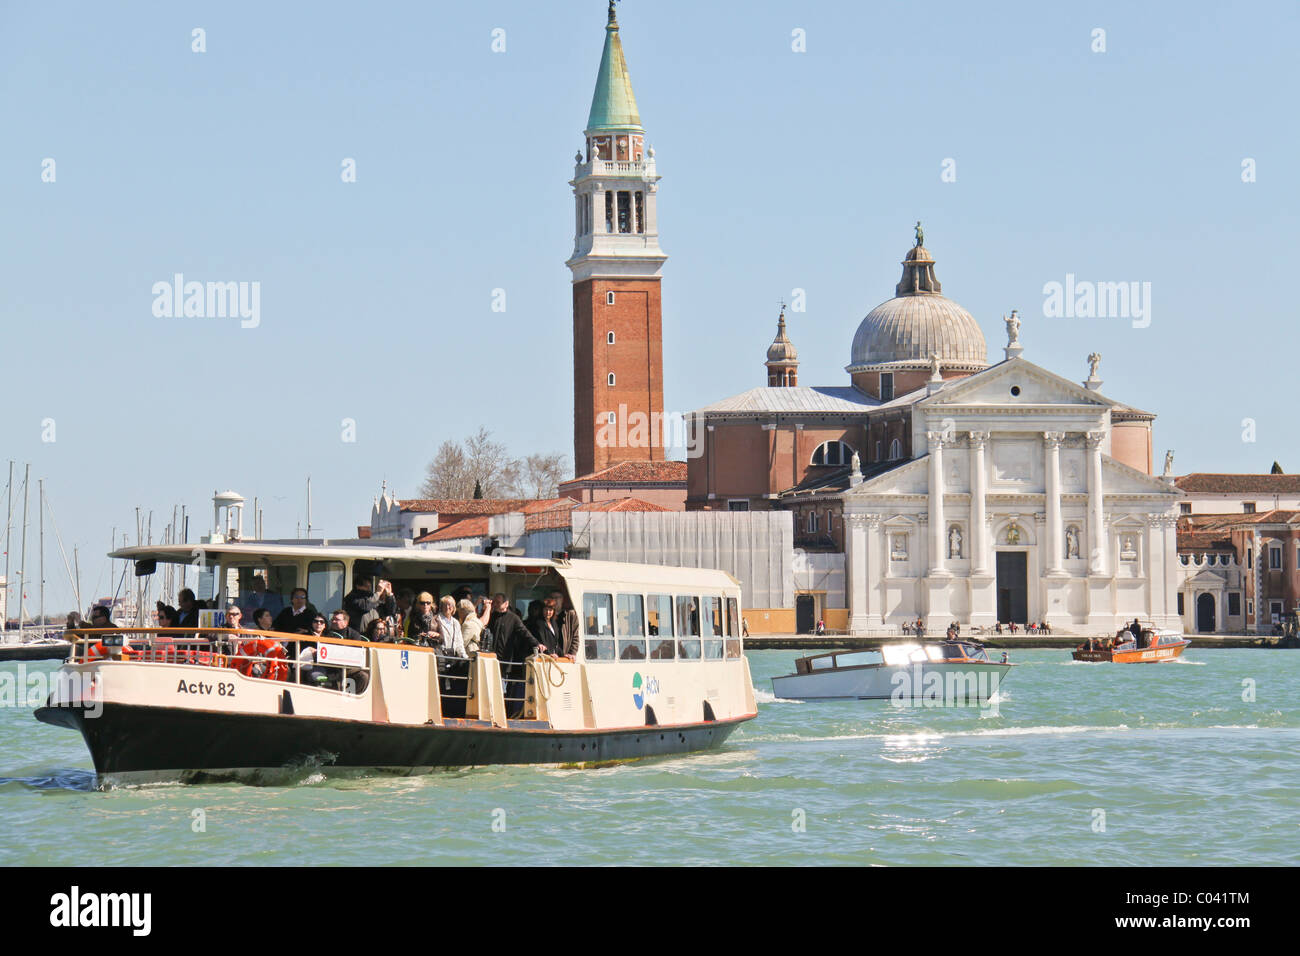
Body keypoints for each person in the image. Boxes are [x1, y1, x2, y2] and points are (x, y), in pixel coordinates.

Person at [484, 593, 539, 716]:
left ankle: (501, 714)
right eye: (495, 602)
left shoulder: (513, 618)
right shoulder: (492, 617)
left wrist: (537, 643)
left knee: (502, 690)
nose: (496, 604)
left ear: (506, 604)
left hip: (505, 662)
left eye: (498, 602)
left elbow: (524, 632)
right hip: (491, 659)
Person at [548, 588, 580, 657]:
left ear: (562, 599)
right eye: (552, 598)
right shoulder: (547, 615)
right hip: (551, 657)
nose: (554, 600)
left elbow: (575, 637)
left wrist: (572, 654)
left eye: (557, 598)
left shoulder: (571, 615)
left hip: (566, 656)